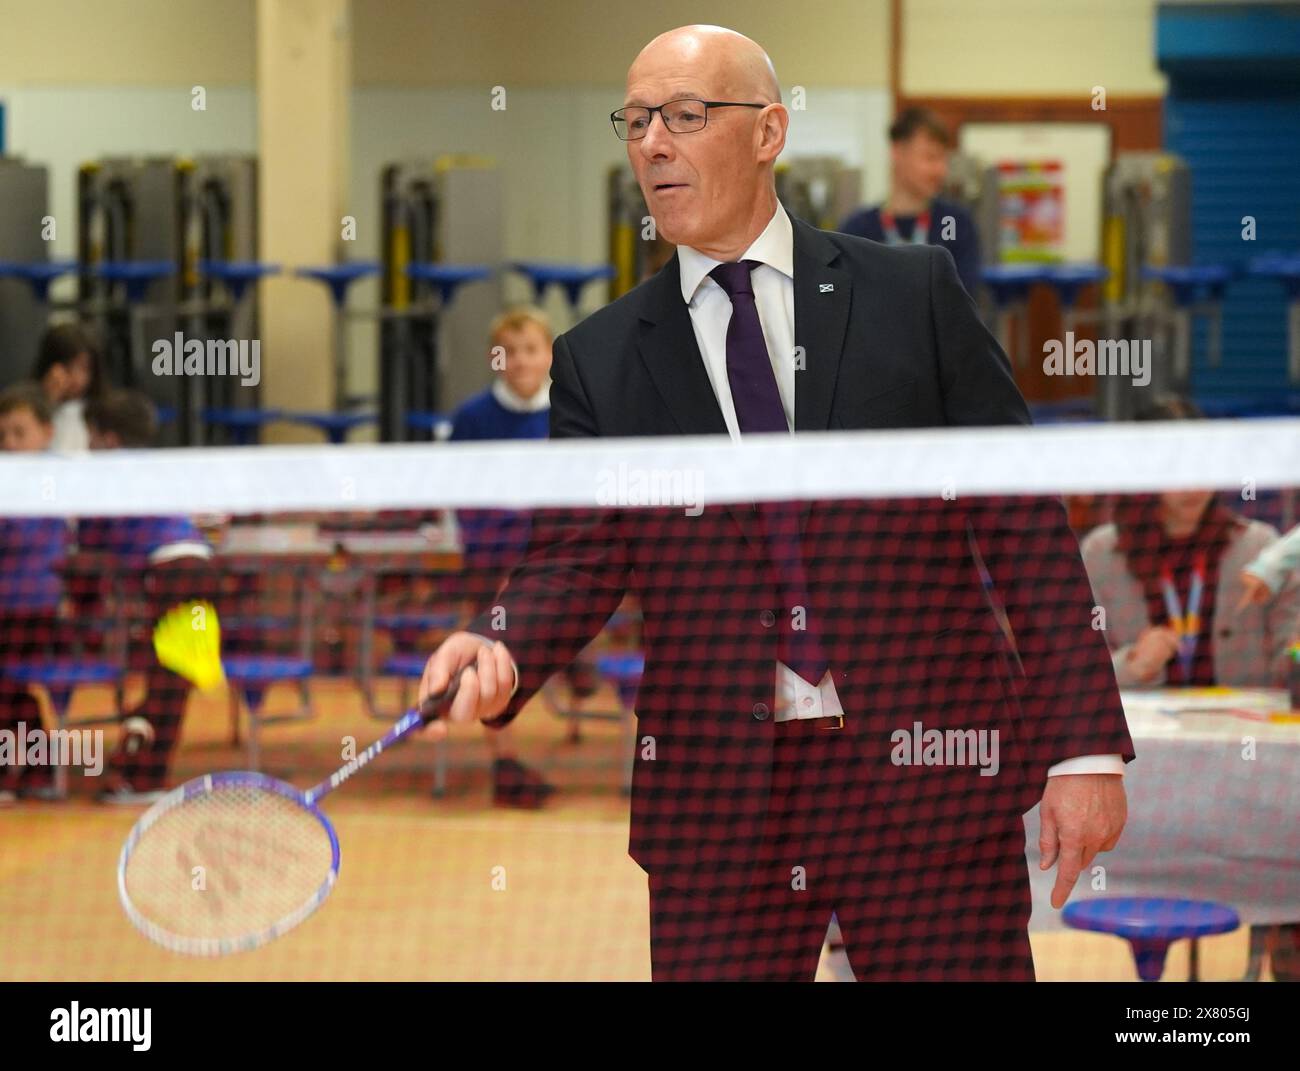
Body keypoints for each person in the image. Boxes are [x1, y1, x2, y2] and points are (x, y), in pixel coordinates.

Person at [417, 24, 1132, 981]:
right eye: (635, 121)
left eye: (684, 115)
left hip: (926, 766)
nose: (652, 144)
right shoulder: (601, 357)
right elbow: (578, 553)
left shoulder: (911, 293)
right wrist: (502, 638)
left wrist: (1083, 746)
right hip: (721, 797)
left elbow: (1023, 527)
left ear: (767, 133)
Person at [1081, 397, 1300, 688]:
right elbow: (1079, 673)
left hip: (1242, 729)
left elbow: (1289, 663)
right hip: (1142, 731)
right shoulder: (1101, 553)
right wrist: (1132, 664)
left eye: (1202, 465)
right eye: (1175, 469)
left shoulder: (1260, 548)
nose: (1194, 484)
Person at [446, 306, 561, 808]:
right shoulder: (473, 418)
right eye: (509, 352)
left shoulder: (568, 412)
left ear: (549, 355)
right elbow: (463, 495)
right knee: (493, 654)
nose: (520, 362)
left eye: (530, 350)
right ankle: (505, 762)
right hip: (494, 560)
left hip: (558, 558)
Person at [78, 389, 217, 802]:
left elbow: (91, 542)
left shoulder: (105, 475)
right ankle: (141, 769)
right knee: (174, 678)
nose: (87, 446)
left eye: (90, 436)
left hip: (170, 575)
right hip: (203, 571)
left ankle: (141, 776)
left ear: (108, 439)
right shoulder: (158, 469)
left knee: (170, 678)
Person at [0, 384, 68, 802]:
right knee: (10, 686)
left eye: (18, 433)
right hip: (7, 605)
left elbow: (22, 534)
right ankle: (37, 767)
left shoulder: (52, 479)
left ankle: (15, 770)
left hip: (36, 608)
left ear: (46, 432)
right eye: (2, 435)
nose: (8, 443)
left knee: (8, 683)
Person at [838, 107, 982, 296]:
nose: (941, 170)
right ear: (897, 152)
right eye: (930, 157)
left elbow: (963, 303)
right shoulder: (857, 230)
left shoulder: (955, 224)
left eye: (943, 159)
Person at [32, 322, 105, 455]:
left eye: (84, 368)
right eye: (68, 367)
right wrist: (48, 400)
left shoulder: (101, 410)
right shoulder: (26, 405)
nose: (76, 378)